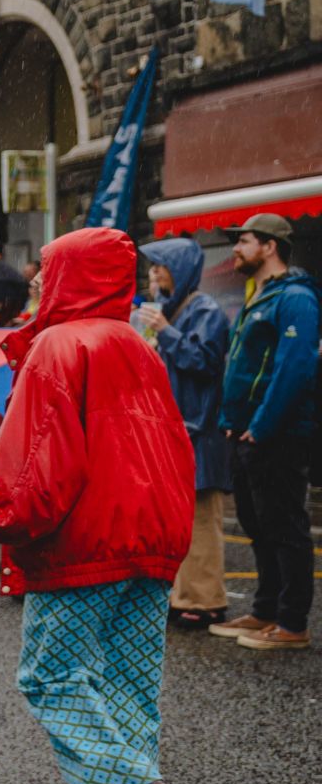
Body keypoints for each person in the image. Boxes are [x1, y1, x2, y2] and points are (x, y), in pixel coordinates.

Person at [0, 227, 194, 784]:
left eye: (48, 273)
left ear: (73, 275)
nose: (40, 285)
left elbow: (37, 465)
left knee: (52, 674)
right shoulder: (137, 344)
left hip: (89, 535)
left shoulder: (58, 344)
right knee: (129, 684)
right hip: (155, 532)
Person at [214, 213, 318, 651]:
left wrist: (259, 427)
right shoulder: (262, 295)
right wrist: (232, 424)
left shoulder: (295, 298)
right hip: (247, 433)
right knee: (258, 524)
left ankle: (292, 624)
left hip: (276, 435)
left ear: (270, 246)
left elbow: (294, 369)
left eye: (244, 241)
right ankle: (266, 610)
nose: (235, 249)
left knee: (286, 525)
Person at [139, 238, 234, 630]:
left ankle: (205, 599)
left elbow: (205, 362)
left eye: (162, 266)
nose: (156, 274)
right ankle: (185, 595)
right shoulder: (174, 308)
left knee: (200, 519)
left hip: (199, 429)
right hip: (177, 427)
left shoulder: (205, 311)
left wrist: (166, 332)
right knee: (180, 519)